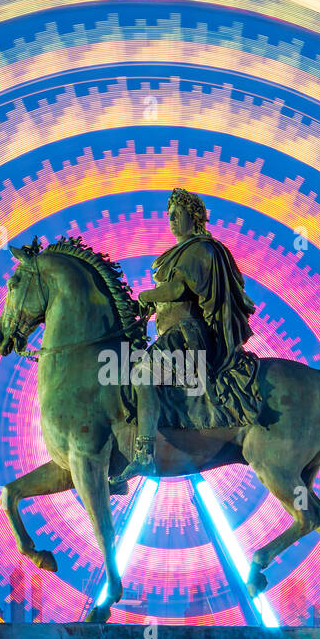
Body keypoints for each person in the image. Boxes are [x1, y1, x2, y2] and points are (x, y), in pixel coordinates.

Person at [110, 188, 261, 485]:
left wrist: (147, 294)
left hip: (187, 336)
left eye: (177, 215)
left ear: (193, 217)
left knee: (142, 375)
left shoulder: (199, 250)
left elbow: (179, 290)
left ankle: (143, 454)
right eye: (169, 215)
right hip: (171, 334)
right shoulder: (182, 253)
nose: (172, 220)